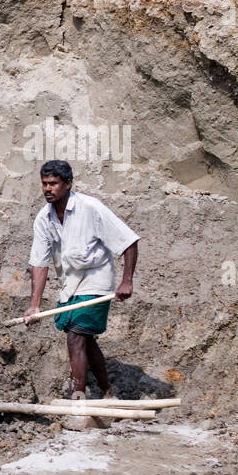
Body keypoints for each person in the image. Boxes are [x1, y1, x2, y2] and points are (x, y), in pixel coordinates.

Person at [26, 159, 139, 400]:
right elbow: (39, 262)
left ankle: (78, 394)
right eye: (44, 184)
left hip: (97, 278)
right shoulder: (44, 219)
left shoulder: (90, 208)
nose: (48, 189)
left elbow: (129, 241)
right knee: (84, 338)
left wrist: (126, 281)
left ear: (68, 184)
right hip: (70, 282)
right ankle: (107, 391)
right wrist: (34, 305)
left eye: (53, 184)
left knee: (76, 335)